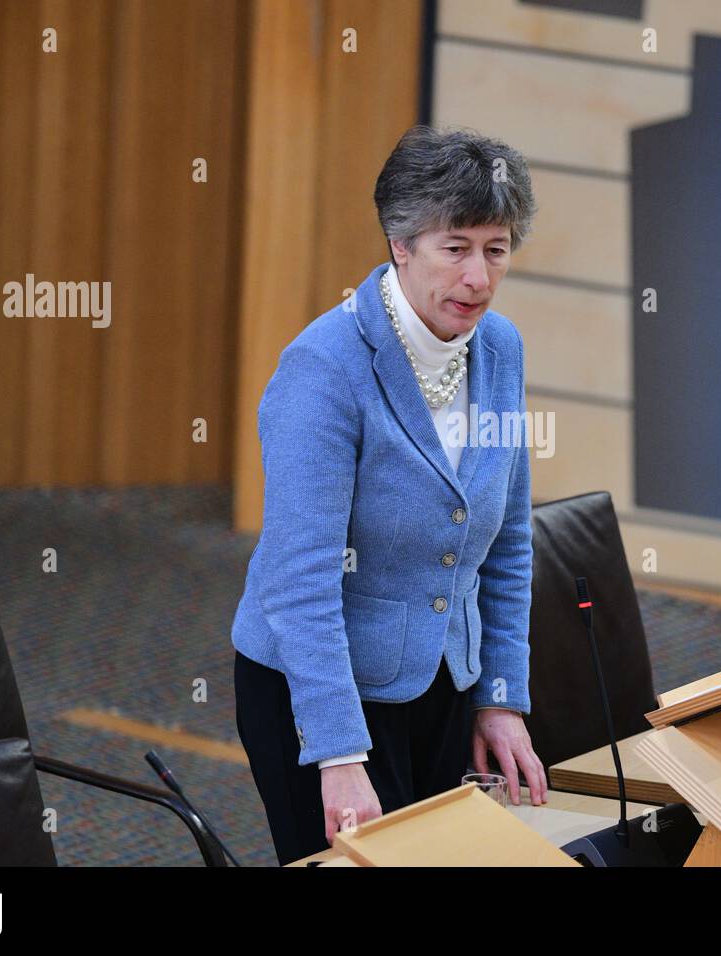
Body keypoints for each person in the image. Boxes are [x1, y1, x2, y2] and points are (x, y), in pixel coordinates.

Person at [231, 125, 547, 864]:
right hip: (316, 690)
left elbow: (507, 542)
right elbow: (298, 582)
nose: (479, 277)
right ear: (401, 245)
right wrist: (338, 755)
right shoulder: (324, 372)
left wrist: (500, 693)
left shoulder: (499, 350)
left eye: (496, 250)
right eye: (456, 248)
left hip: (445, 684)